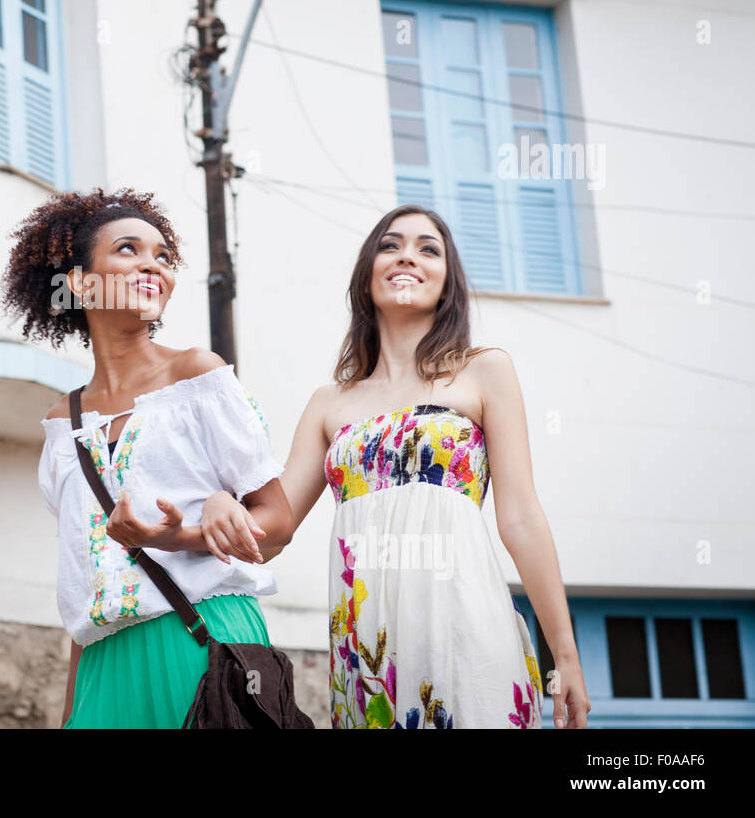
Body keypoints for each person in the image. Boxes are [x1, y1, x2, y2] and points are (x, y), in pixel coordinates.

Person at [199, 205, 592, 729]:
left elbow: (520, 519)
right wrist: (220, 503)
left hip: (465, 631)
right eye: (391, 245)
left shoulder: (483, 372)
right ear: (367, 274)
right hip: (368, 649)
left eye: (429, 249)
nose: (408, 255)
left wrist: (564, 655)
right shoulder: (328, 403)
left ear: (447, 282)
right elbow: (271, 529)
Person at [0, 186, 293, 728]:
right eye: (129, 249)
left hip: (204, 639)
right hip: (106, 664)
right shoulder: (62, 425)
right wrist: (71, 715)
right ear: (81, 282)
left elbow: (276, 526)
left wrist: (180, 535)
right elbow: (87, 579)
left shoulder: (196, 376)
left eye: (163, 255)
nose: (154, 265)